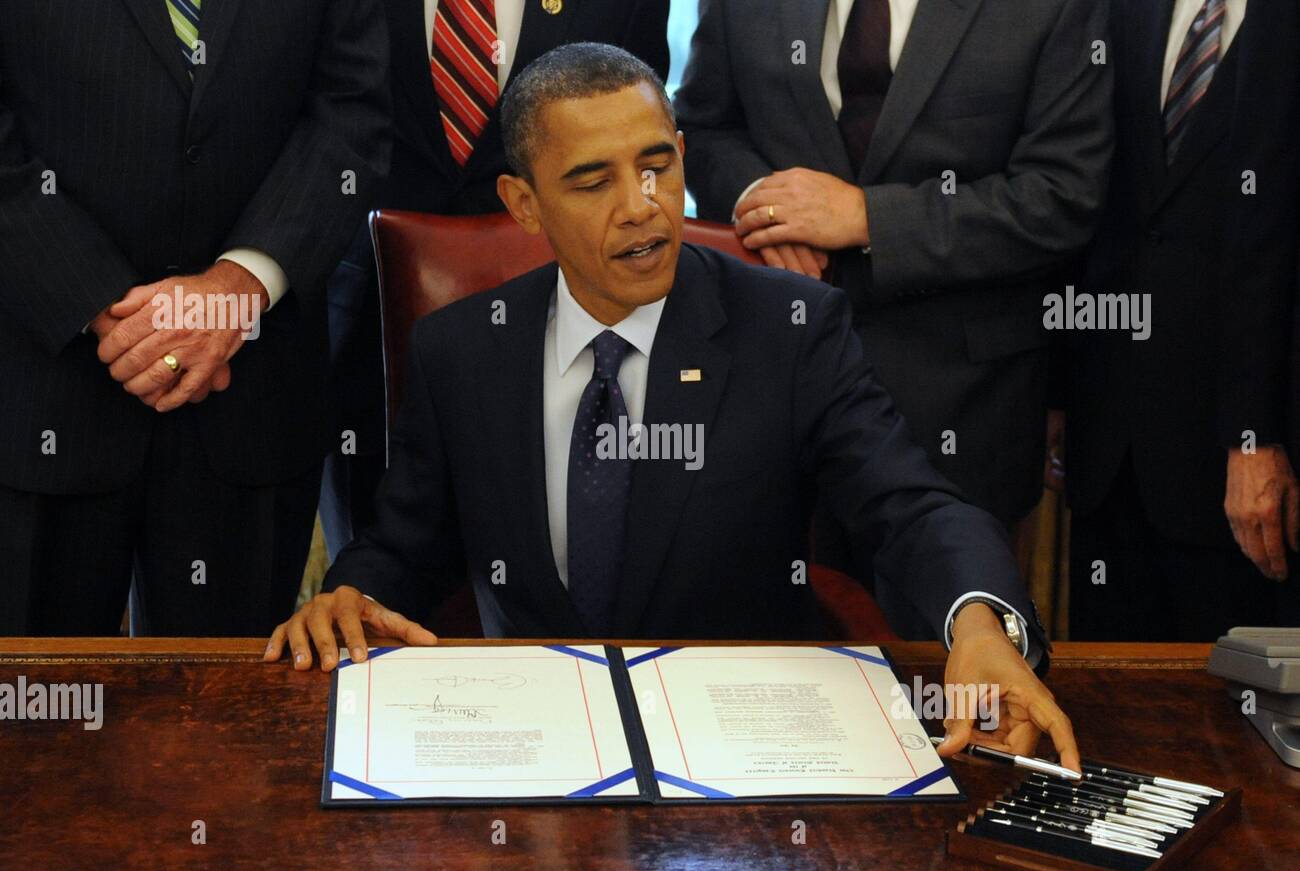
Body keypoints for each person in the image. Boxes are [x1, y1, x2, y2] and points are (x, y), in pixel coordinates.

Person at [267, 43, 1079, 769]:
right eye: (593, 180)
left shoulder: (789, 331)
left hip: (736, 750)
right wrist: (351, 595)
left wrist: (978, 622)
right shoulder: (462, 349)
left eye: (658, 165)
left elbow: (911, 508)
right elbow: (404, 549)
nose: (642, 204)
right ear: (523, 205)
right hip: (528, 741)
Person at [673, 0, 1113, 632]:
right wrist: (763, 205)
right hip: (770, 387)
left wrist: (869, 218)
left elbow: (1062, 195)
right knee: (767, 664)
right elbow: (703, 129)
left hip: (963, 405)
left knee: (946, 671)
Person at [0, 0, 391, 636]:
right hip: (40, 394)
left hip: (251, 395)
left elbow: (352, 111)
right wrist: (109, 307)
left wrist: (234, 290)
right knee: (36, 721)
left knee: (230, 721)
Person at [320, 0, 670, 560]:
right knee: (378, 563)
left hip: (561, 321)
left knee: (564, 552)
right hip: (362, 321)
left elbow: (636, 123)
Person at [1066, 0, 1300, 639]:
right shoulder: (1121, 12)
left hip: (1241, 467)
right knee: (1107, 719)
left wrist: (1253, 436)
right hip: (1109, 455)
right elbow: (1092, 208)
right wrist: (1060, 397)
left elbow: (1275, 245)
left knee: (1231, 719)